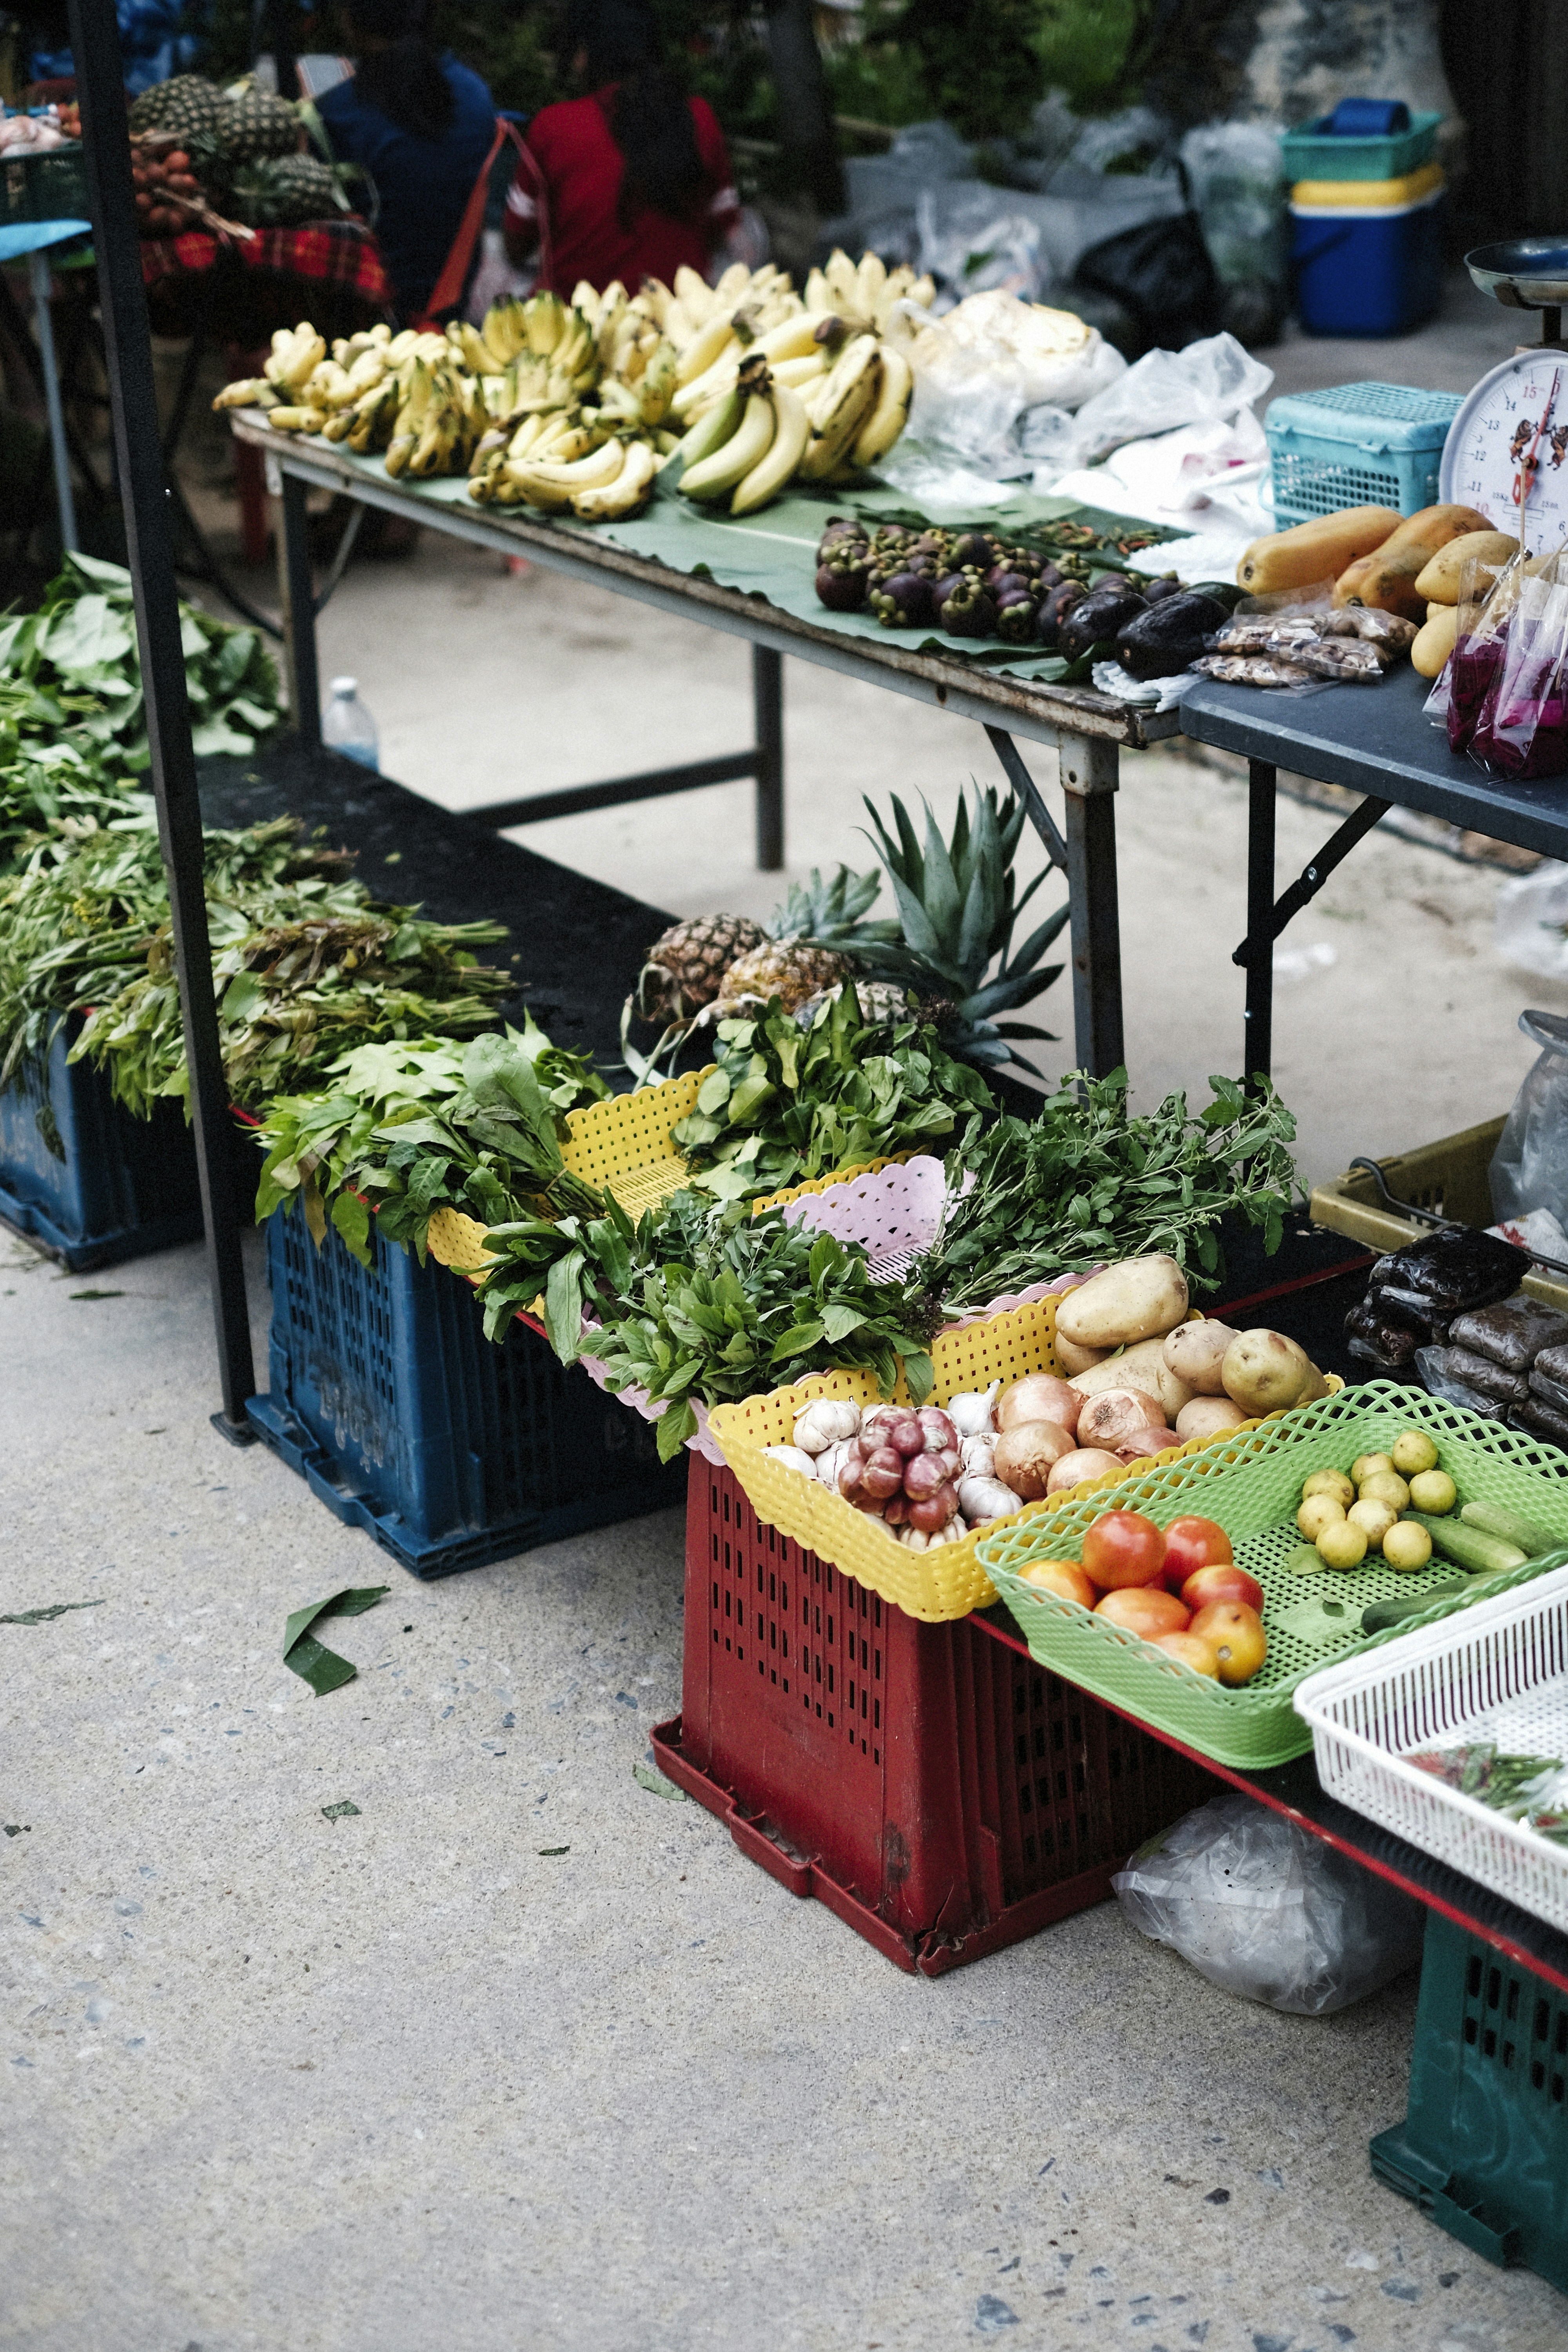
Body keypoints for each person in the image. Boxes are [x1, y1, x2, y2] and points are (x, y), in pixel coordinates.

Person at [502, 0, 739, 296]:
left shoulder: (554, 126)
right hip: (685, 322)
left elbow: (516, 246)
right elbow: (722, 228)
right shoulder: (700, 118)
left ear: (584, 55)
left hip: (578, 327)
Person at [316, 0, 498, 322]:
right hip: (451, 310)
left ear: (349, 20)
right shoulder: (477, 96)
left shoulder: (337, 113)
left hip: (369, 317)